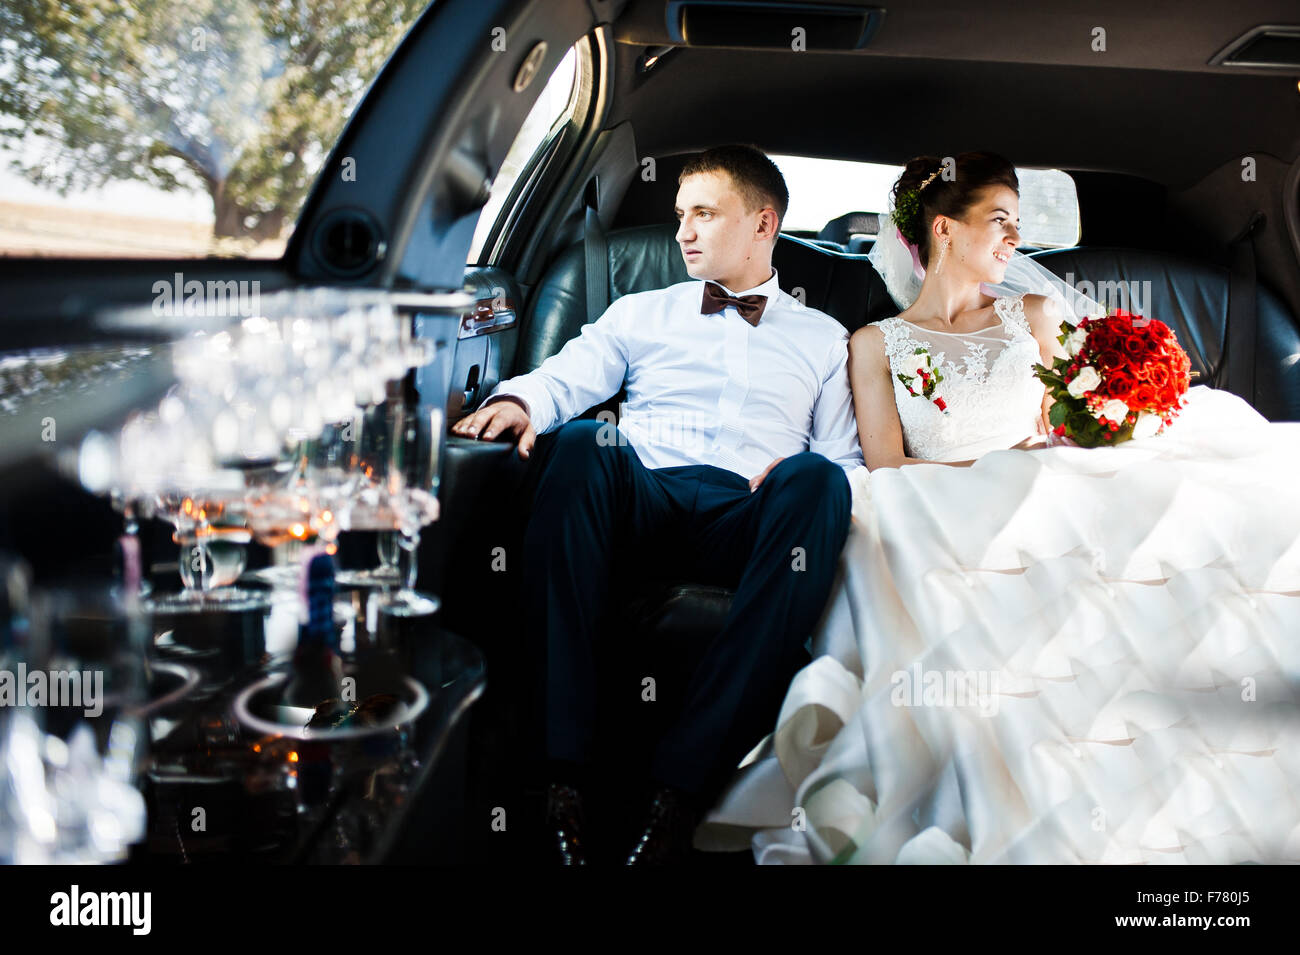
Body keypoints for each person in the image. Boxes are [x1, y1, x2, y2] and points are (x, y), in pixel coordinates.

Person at [697, 152, 1300, 864]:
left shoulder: (1037, 315)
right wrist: (997, 469)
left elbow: (1064, 424)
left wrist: (1096, 418)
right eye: (1001, 222)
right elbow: (888, 465)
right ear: (945, 230)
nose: (1016, 241)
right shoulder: (872, 345)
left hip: (1054, 492)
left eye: (1018, 224)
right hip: (946, 506)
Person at [451, 145, 859, 864]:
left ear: (764, 222)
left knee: (820, 484)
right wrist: (517, 400)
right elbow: (566, 376)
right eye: (679, 216)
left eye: (704, 213)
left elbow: (843, 462)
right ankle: (560, 777)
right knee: (579, 441)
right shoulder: (641, 311)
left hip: (749, 515)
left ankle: (681, 791)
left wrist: (798, 469)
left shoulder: (826, 339)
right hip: (641, 497)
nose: (683, 232)